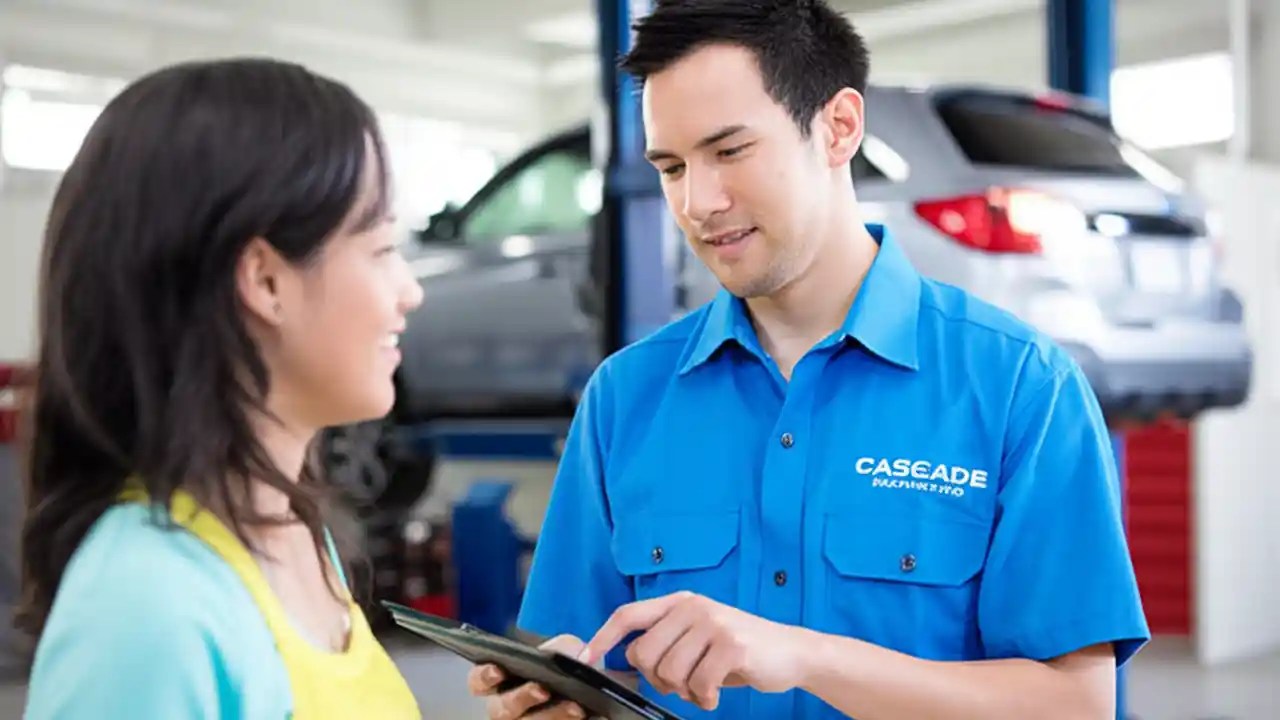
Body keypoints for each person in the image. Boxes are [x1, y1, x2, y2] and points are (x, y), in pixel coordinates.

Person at [468, 1, 1150, 718]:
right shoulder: (624, 398)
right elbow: (594, 664)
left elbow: (1075, 706)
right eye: (672, 167)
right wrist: (557, 700)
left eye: (730, 152)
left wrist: (804, 655)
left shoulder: (1019, 387)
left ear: (838, 127)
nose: (699, 202)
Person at [17, 58, 424, 719]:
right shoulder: (149, 606)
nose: (411, 291)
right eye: (381, 249)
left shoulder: (294, 533)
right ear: (265, 282)